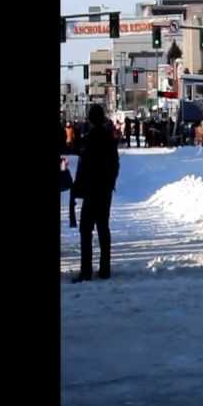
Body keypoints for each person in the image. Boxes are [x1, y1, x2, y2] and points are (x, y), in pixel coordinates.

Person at [71, 104, 119, 282]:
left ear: (91, 120)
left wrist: (79, 186)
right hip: (104, 191)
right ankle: (105, 269)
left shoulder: (90, 139)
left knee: (86, 230)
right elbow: (115, 165)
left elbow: (84, 167)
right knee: (103, 229)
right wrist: (109, 183)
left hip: (92, 190)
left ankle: (86, 271)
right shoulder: (109, 138)